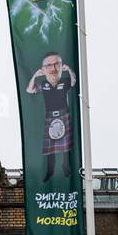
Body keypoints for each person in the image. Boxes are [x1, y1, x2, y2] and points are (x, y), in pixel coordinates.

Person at [24, 51, 76, 183]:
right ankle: (50, 171)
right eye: (49, 65)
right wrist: (35, 76)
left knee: (66, 147)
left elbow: (74, 82)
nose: (53, 68)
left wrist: (69, 70)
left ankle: (66, 167)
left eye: (56, 64)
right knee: (50, 150)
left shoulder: (65, 82)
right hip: (50, 117)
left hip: (64, 114)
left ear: (61, 65)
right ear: (43, 69)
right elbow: (29, 90)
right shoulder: (43, 84)